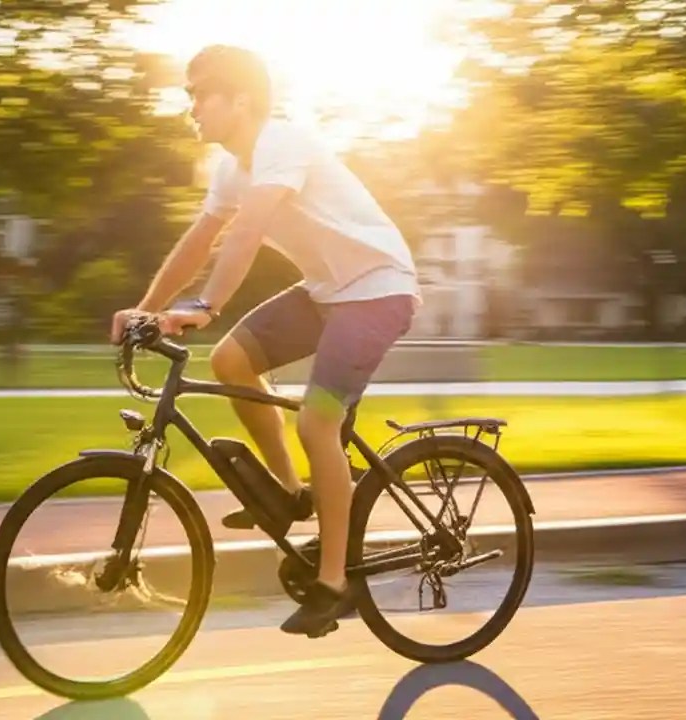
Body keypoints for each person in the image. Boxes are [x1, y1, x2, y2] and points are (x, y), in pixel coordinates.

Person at [110, 44, 420, 638]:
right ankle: (290, 492)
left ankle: (334, 583)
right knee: (231, 360)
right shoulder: (232, 167)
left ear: (241, 99)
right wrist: (146, 310)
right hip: (329, 291)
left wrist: (205, 305)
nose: (191, 105)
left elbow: (248, 229)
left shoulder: (283, 142)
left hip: (378, 291)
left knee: (317, 423)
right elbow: (202, 239)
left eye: (200, 92)